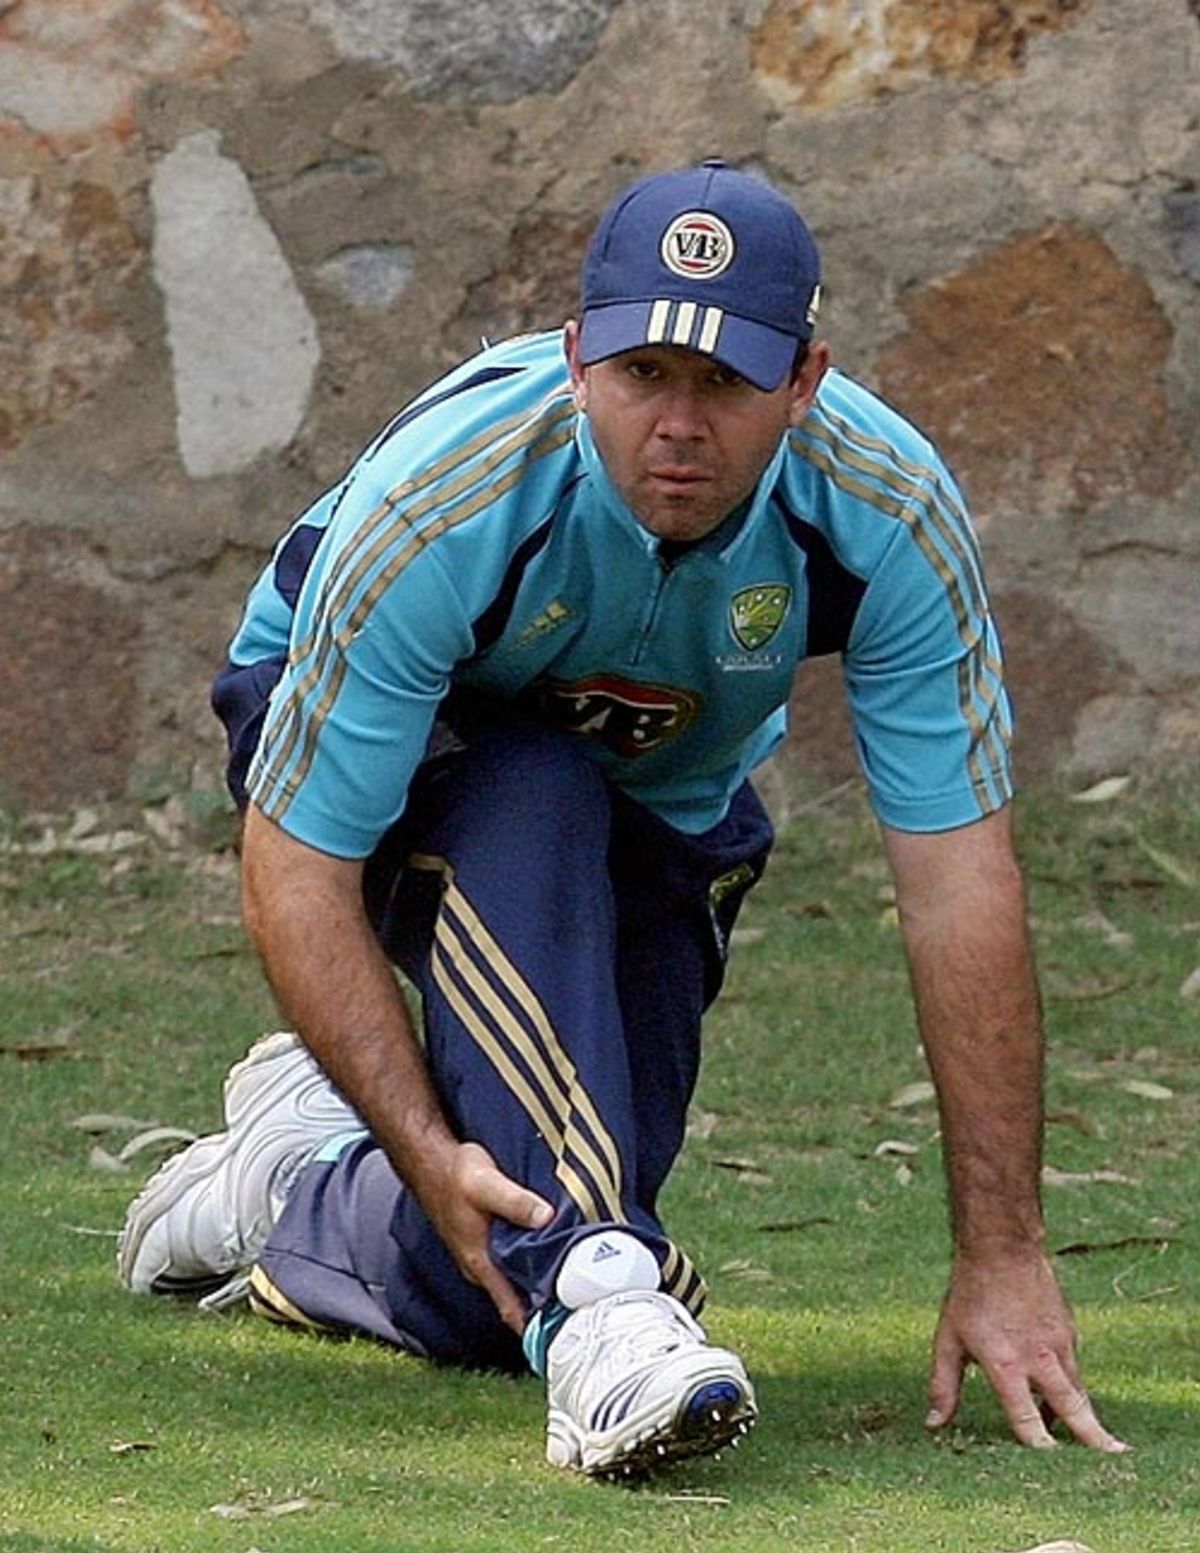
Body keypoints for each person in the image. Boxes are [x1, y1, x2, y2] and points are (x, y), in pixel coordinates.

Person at [118, 160, 1127, 1477]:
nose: (681, 426)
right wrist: (430, 1141)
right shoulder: (448, 495)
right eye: (647, 374)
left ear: (806, 383)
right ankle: (607, 1308)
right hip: (362, 777)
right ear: (579, 356)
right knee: (532, 792)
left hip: (659, 808)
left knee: (503, 1252)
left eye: (728, 384)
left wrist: (1003, 1256)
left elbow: (960, 886)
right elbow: (297, 860)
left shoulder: (891, 514)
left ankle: (298, 1181)